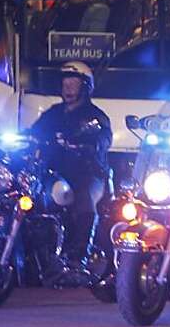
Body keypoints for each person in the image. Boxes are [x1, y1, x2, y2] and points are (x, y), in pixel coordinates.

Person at [28, 61, 112, 279]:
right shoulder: (53, 114)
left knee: (84, 199)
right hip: (55, 173)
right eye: (65, 82)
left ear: (85, 86)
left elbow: (103, 137)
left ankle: (78, 257)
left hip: (89, 173)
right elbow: (33, 133)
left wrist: (88, 143)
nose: (68, 87)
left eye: (74, 82)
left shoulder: (95, 116)